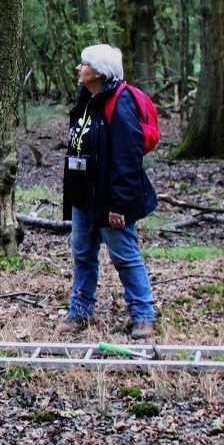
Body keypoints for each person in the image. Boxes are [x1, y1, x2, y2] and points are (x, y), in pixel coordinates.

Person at [59, 43, 158, 339]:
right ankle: (80, 313)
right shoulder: (85, 99)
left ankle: (143, 316)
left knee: (125, 256)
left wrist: (120, 204)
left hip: (110, 197)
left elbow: (127, 158)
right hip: (83, 195)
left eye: (84, 64)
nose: (79, 68)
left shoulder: (121, 102)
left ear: (100, 72)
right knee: (82, 253)